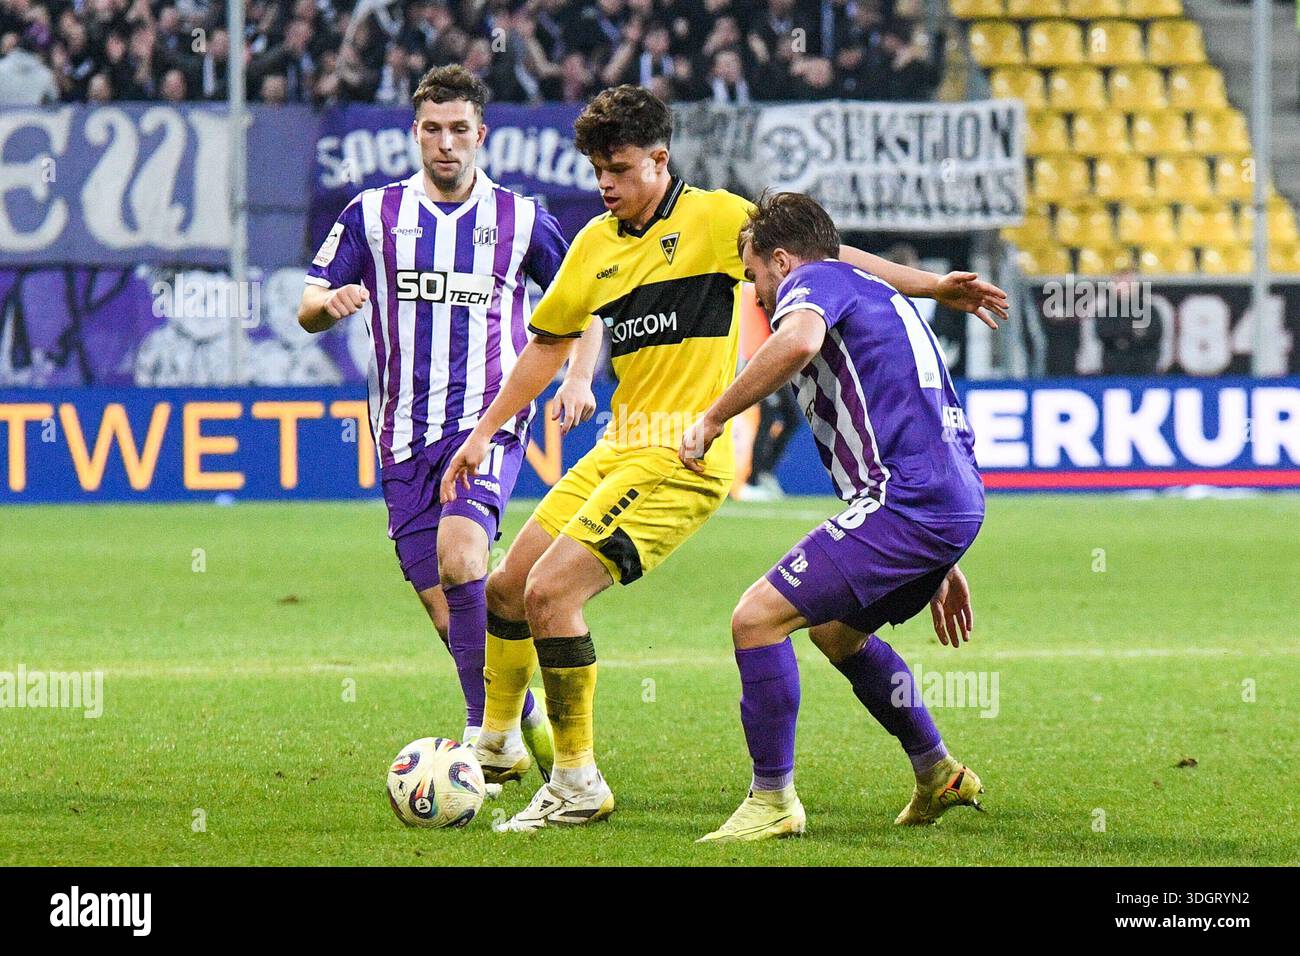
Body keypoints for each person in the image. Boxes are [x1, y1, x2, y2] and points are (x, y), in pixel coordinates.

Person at [440, 85, 1007, 833]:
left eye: (616, 167)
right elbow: (548, 343)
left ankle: (582, 782)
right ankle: (500, 744)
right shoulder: (594, 245)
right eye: (596, 170)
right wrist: (485, 431)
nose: (604, 183)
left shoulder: (718, 219)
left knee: (554, 594)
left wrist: (931, 284)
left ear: (658, 159)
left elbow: (825, 256)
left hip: (681, 452)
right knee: (508, 588)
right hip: (618, 444)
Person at [297, 65, 604, 778]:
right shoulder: (372, 215)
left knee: (464, 559)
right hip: (401, 435)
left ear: (480, 135)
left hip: (484, 422)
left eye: (458, 130)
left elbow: (585, 303)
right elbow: (308, 301)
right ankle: (519, 718)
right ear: (415, 133)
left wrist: (580, 375)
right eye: (432, 129)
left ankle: (482, 747)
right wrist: (328, 306)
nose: (445, 144)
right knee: (447, 611)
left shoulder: (521, 220)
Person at [680, 192, 989, 843]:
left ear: (782, 262)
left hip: (909, 503)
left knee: (756, 619)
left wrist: (712, 417)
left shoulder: (812, 283)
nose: (757, 296)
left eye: (754, 277)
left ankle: (772, 801)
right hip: (945, 501)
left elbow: (796, 343)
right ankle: (938, 773)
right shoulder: (868, 287)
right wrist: (942, 553)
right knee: (836, 635)